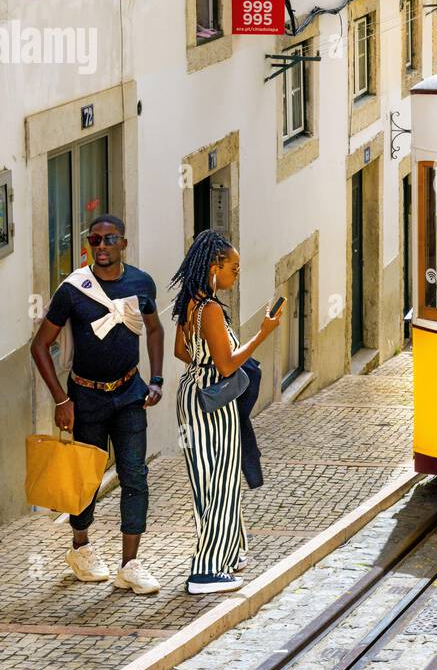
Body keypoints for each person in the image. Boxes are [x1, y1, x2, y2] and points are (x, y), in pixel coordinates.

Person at [30, 214, 164, 593]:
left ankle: (130, 564)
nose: (101, 246)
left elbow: (154, 328)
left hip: (129, 394)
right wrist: (61, 398)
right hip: (85, 397)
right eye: (95, 240)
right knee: (85, 478)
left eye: (109, 240)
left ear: (123, 243)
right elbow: (39, 346)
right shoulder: (73, 291)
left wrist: (155, 379)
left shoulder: (141, 283)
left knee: (135, 475)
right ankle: (81, 547)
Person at [171, 230, 281, 595]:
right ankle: (205, 571)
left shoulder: (190, 302)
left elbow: (181, 351)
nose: (236, 274)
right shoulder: (212, 310)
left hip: (193, 394)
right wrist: (263, 333)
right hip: (212, 404)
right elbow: (230, 364)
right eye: (233, 268)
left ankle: (229, 554)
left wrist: (204, 365)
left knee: (208, 480)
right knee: (219, 484)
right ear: (214, 267)